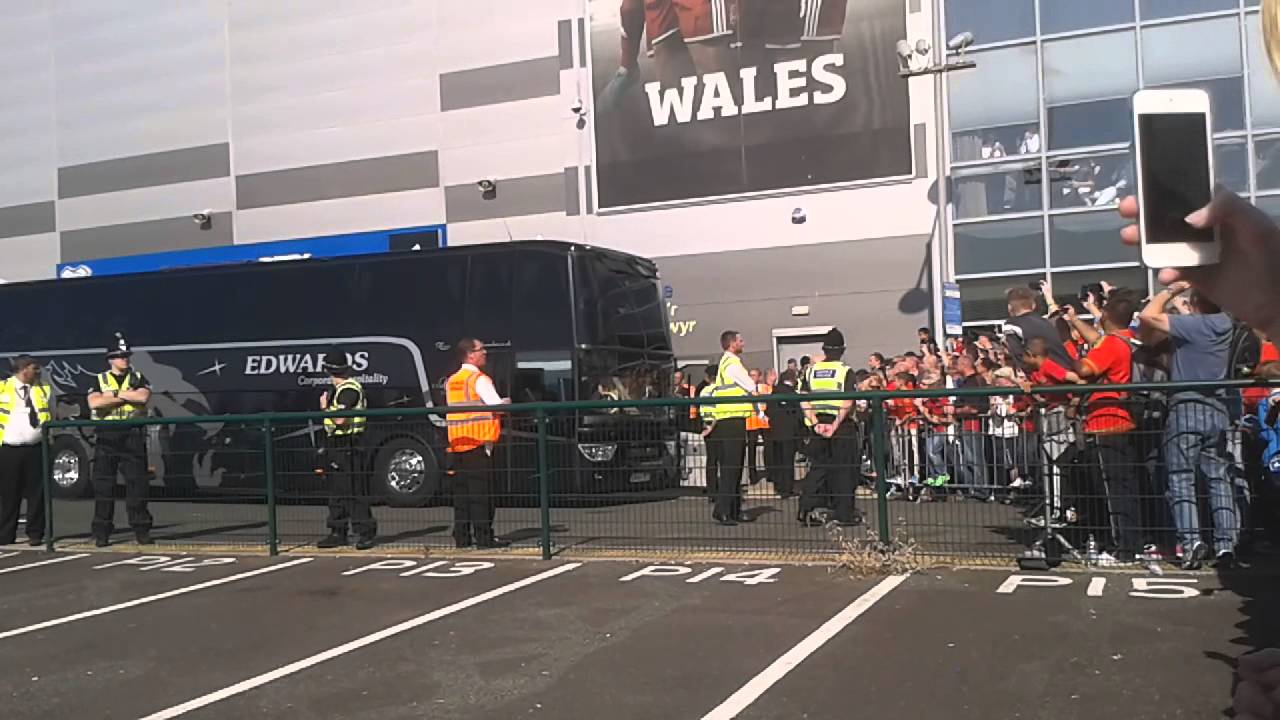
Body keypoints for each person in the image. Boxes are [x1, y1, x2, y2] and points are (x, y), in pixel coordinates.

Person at [1140, 282, 1241, 569]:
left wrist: (1170, 290)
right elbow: (1199, 313)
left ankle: (1191, 542)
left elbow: (1147, 316)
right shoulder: (1225, 324)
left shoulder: (1193, 326)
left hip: (1186, 406)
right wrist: (1193, 301)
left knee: (1181, 478)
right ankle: (1226, 545)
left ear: (1196, 303)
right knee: (1219, 478)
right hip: (1217, 408)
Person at [1067, 295, 1143, 565]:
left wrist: (1072, 361)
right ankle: (1128, 544)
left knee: (1113, 490)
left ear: (1107, 316)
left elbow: (1087, 368)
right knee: (1123, 487)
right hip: (1117, 419)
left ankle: (1123, 548)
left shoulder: (1112, 343)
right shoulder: (1127, 339)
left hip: (1106, 421)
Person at [87, 333, 153, 547]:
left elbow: (143, 397)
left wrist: (112, 397)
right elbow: (95, 403)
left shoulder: (138, 377)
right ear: (110, 359)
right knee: (104, 486)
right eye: (119, 356)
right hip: (107, 435)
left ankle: (141, 529)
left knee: (137, 485)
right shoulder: (98, 379)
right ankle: (102, 532)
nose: (124, 359)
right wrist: (125, 395)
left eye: (126, 355)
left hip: (132, 434)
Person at [445, 338, 510, 549]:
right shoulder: (480, 379)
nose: (485, 353)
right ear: (470, 355)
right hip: (479, 442)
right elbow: (497, 407)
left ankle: (462, 537)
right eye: (481, 349)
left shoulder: (452, 381)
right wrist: (506, 403)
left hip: (457, 442)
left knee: (462, 494)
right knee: (482, 493)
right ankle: (484, 538)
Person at [798, 328, 859, 526]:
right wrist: (834, 425)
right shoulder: (845, 371)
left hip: (818, 423)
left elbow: (804, 399)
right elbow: (847, 401)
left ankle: (805, 509)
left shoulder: (811, 371)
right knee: (844, 471)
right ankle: (844, 514)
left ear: (824, 349)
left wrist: (815, 422)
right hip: (840, 424)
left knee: (818, 468)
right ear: (842, 350)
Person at [316, 348, 376, 550]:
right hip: (337, 444)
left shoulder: (349, 389)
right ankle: (337, 531)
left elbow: (341, 419)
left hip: (349, 444)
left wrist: (325, 408)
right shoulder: (340, 389)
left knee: (353, 491)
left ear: (326, 370)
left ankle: (364, 532)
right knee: (337, 491)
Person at [706, 330, 758, 525]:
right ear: (731, 344)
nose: (743, 342)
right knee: (731, 467)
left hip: (731, 418)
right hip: (731, 419)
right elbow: (750, 385)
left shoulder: (726, 363)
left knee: (735, 466)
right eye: (740, 340)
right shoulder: (732, 364)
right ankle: (723, 510)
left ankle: (733, 509)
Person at [0, 356, 51, 547]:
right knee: (9, 493)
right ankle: (6, 534)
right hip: (9, 448)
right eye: (34, 368)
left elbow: (51, 413)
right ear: (23, 369)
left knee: (37, 494)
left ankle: (35, 533)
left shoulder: (43, 389)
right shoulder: (3, 387)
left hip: (36, 447)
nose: (38, 372)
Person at [950, 355, 991, 501]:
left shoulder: (974, 382)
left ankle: (981, 489)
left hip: (973, 424)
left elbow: (974, 408)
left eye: (958, 364)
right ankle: (972, 487)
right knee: (968, 457)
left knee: (975, 457)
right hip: (966, 424)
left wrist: (955, 411)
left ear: (964, 364)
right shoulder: (967, 382)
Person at [767, 367, 799, 498]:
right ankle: (787, 488)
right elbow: (799, 413)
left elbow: (767, 411)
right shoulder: (792, 395)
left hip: (775, 431)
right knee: (787, 461)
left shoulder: (773, 393)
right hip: (789, 432)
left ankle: (778, 486)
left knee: (778, 460)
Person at [745, 368, 771, 484]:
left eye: (754, 375)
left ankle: (770, 473)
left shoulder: (764, 387)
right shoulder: (745, 389)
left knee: (769, 447)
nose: (752, 378)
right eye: (750, 375)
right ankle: (753, 476)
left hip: (764, 422)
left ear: (759, 377)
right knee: (751, 450)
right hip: (751, 422)